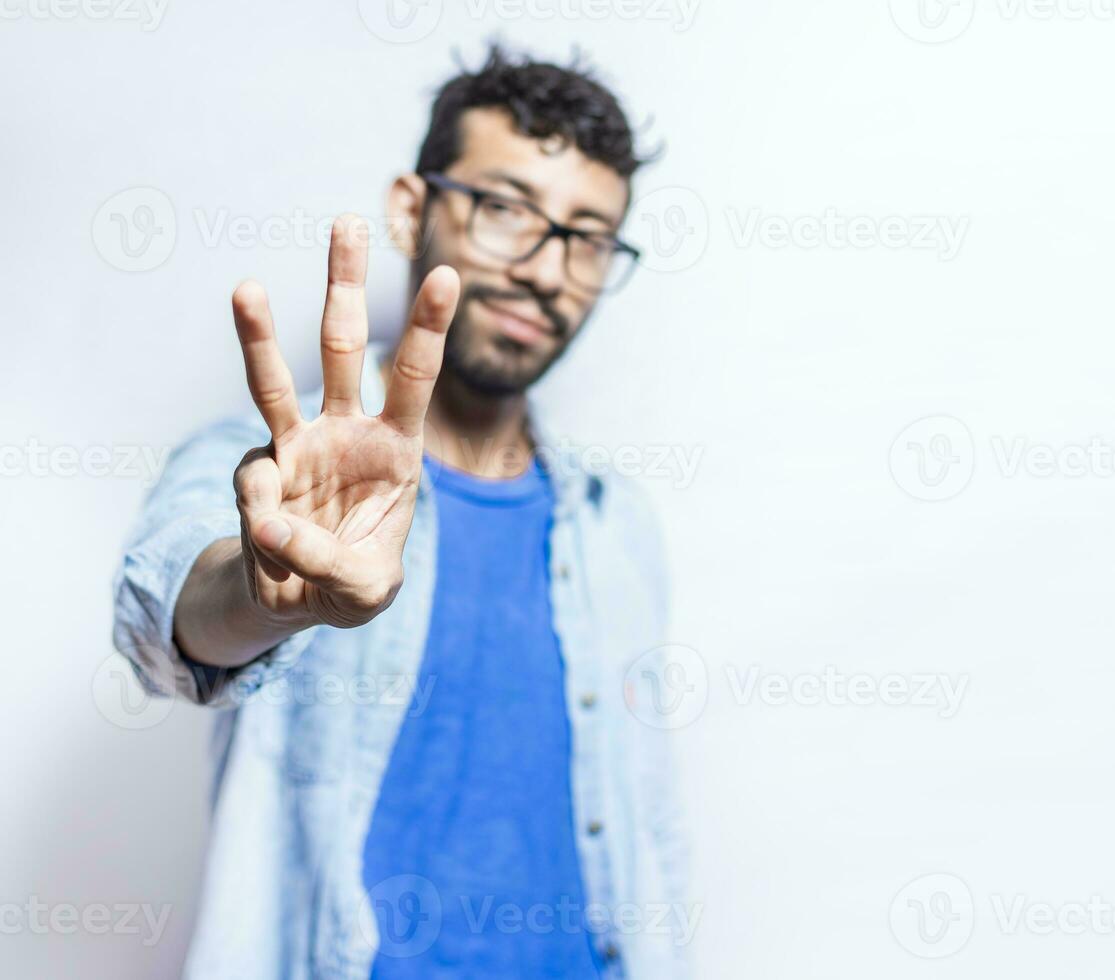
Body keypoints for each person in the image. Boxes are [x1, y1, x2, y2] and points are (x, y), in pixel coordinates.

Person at [112, 46, 689, 979]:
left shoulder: (616, 520)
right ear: (412, 209)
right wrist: (264, 592)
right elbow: (161, 623)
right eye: (506, 209)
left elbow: (647, 827)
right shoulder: (269, 465)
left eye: (588, 238)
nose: (549, 270)